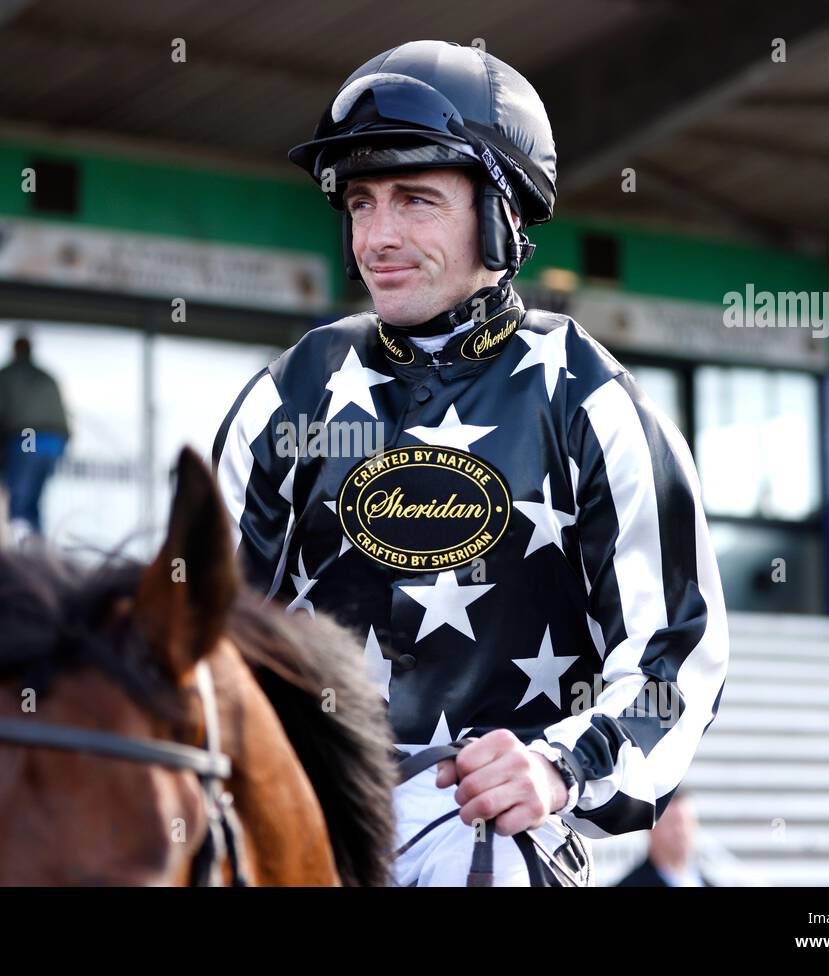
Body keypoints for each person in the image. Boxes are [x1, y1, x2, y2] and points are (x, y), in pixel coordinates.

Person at [211, 40, 730, 886]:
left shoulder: (592, 402)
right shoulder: (290, 394)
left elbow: (677, 659)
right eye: (362, 203)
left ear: (500, 215)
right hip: (301, 824)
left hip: (497, 835)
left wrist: (561, 767)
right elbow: (190, 626)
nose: (378, 235)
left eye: (414, 199)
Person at [0, 332, 70, 540]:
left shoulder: (4, 375)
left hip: (29, 438)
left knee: (18, 500)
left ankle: (19, 553)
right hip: (55, 442)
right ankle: (36, 548)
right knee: (33, 501)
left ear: (14, 350)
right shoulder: (46, 376)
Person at [615, 790, 712, 887]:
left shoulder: (709, 883)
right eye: (672, 822)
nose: (681, 831)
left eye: (687, 822)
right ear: (651, 829)